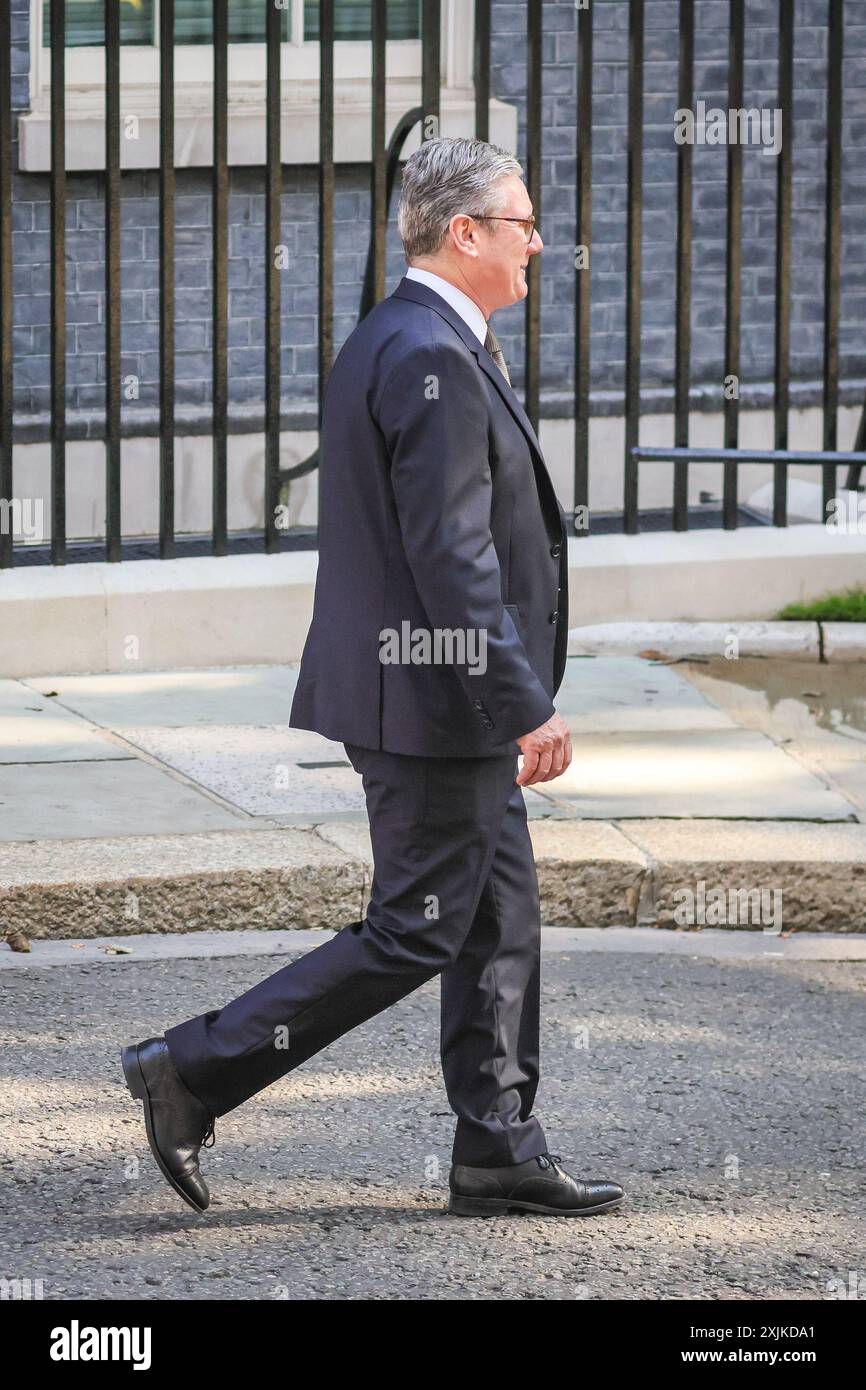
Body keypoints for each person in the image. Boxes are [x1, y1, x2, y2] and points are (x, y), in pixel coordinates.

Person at [122, 137, 624, 1220]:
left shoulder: (411, 336)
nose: (539, 242)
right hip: (431, 702)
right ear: (464, 232)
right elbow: (452, 555)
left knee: (496, 919)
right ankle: (192, 1069)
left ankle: (497, 1147)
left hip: (435, 695)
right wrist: (522, 701)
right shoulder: (427, 353)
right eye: (522, 222)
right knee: (417, 928)